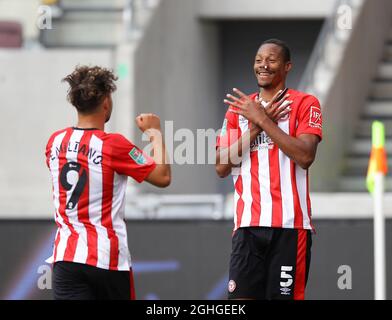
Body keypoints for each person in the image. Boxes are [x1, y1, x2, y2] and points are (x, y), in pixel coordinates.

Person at [45, 65, 171, 300]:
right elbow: (163, 176)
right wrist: (154, 133)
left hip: (66, 258)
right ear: (105, 102)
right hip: (107, 260)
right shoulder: (114, 145)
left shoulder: (55, 142)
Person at [216, 39, 322, 300]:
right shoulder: (238, 109)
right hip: (247, 226)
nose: (263, 65)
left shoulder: (305, 103)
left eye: (271, 60)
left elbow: (305, 156)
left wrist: (262, 119)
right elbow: (221, 165)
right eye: (258, 59)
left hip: (289, 227)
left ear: (287, 66)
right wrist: (254, 127)